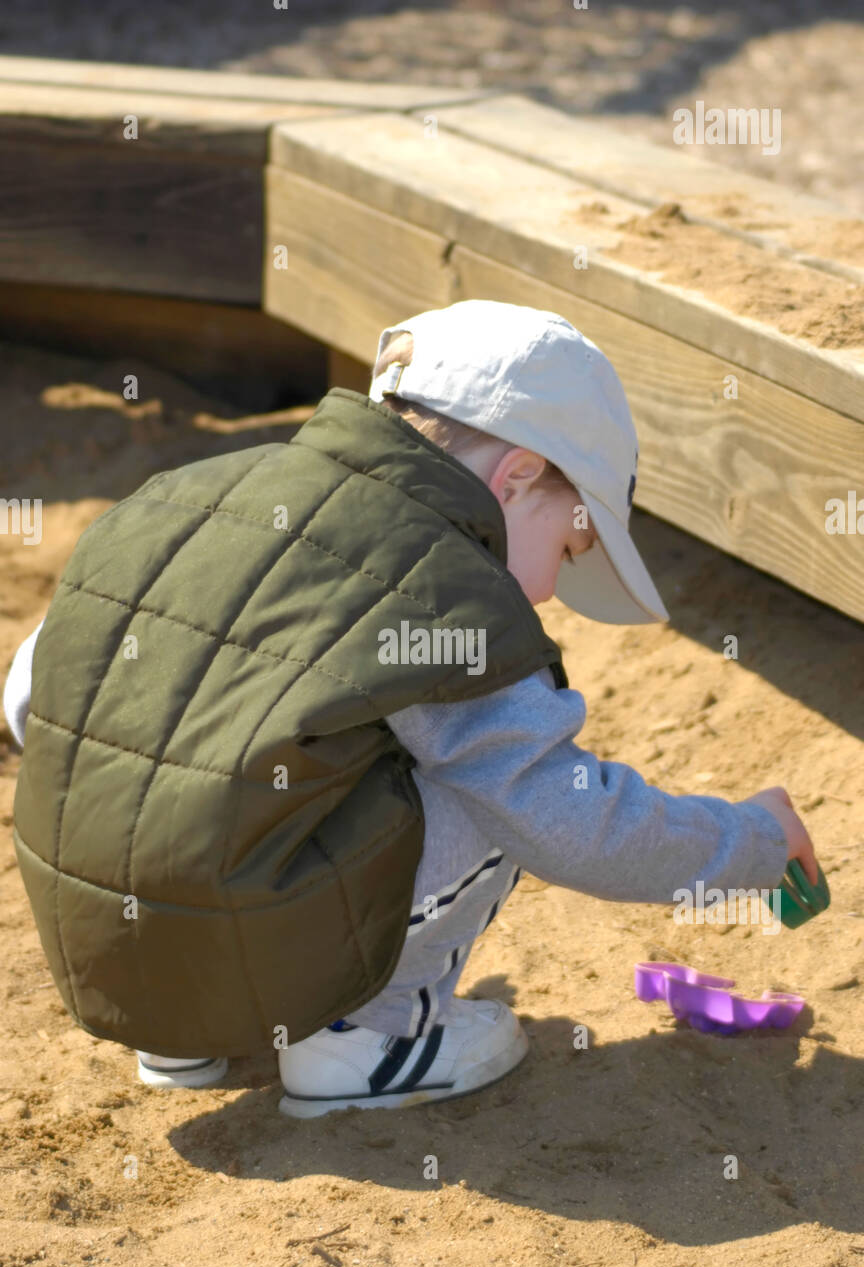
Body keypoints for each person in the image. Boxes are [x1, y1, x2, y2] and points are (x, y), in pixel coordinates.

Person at [2, 300, 817, 1119]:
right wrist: (752, 842)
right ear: (520, 473)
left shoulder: (192, 493)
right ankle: (367, 1037)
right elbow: (566, 823)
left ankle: (183, 1036)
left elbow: (33, 692)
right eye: (566, 548)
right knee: (497, 781)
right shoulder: (449, 591)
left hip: (108, 961)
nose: (542, 592)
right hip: (244, 928)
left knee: (174, 725)